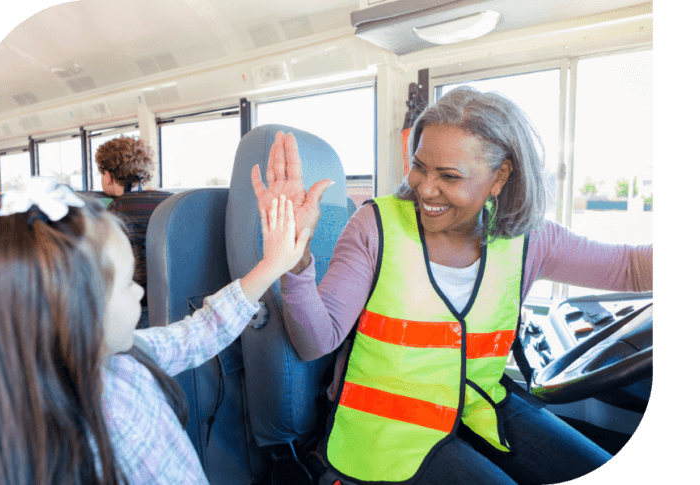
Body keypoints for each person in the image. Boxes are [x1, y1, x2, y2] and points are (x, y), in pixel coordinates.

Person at [250, 86, 654, 485]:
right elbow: (315, 342)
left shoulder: (530, 238)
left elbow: (631, 268)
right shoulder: (375, 227)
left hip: (479, 405)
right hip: (387, 431)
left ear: (500, 177)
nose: (425, 187)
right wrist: (295, 257)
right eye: (420, 166)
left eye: (449, 176)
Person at [0, 177, 312, 485]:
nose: (139, 291)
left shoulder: (124, 357)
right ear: (73, 313)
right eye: (127, 283)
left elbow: (197, 334)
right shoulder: (79, 437)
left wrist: (272, 265)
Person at [95, 136, 174, 328]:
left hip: (133, 306)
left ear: (109, 176)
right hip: (172, 302)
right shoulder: (171, 202)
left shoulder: (117, 208)